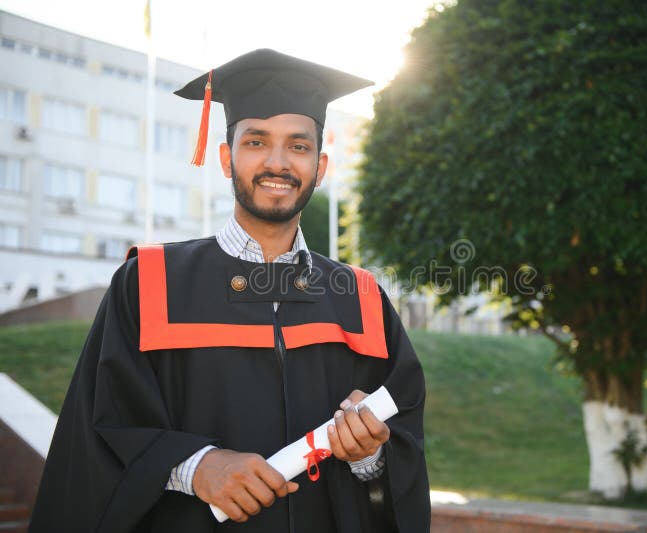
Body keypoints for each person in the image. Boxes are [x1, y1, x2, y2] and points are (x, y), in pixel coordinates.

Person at [29, 49, 430, 533]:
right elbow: (100, 433)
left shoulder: (360, 299)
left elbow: (402, 450)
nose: (277, 163)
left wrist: (370, 456)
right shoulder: (149, 284)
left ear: (320, 167)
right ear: (226, 157)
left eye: (298, 147)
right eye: (257, 141)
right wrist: (196, 466)